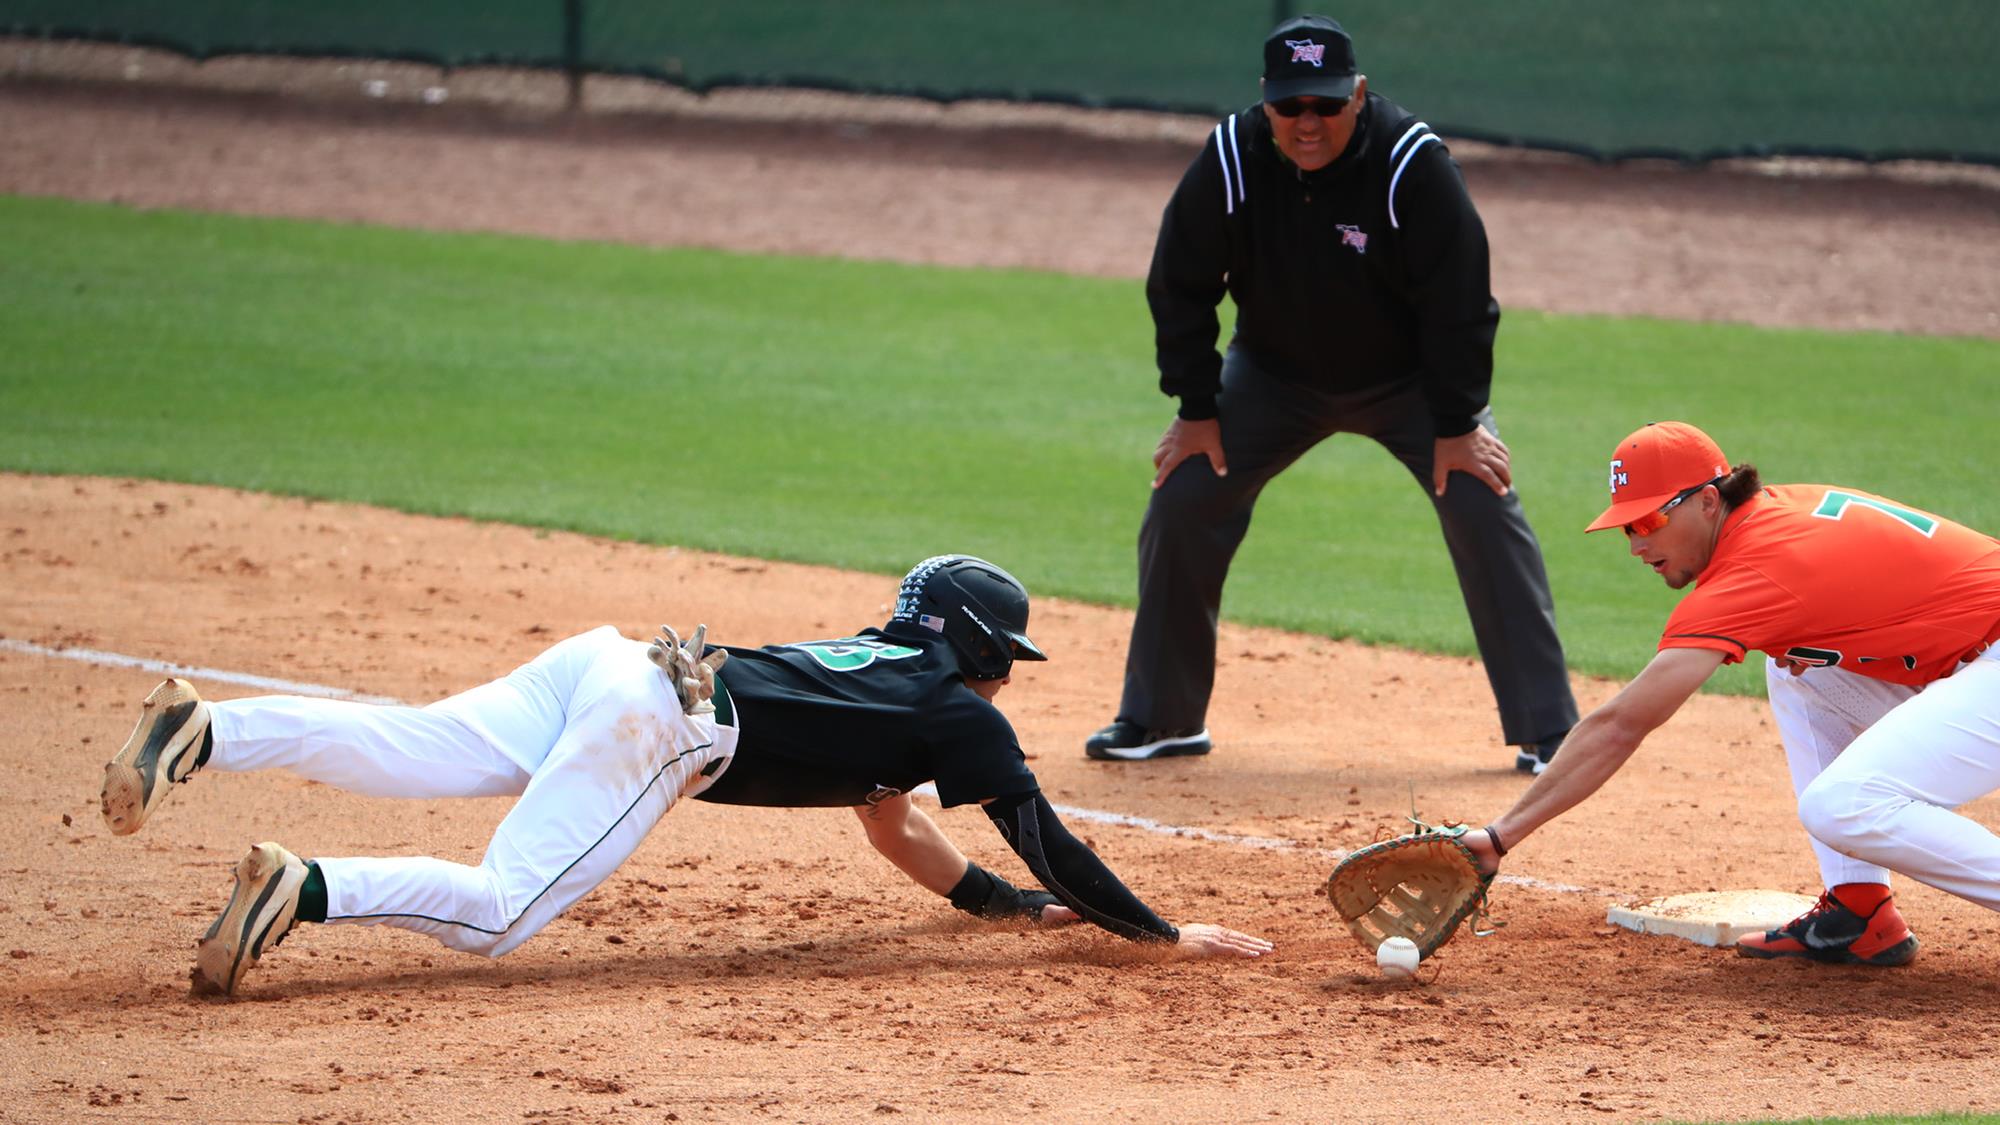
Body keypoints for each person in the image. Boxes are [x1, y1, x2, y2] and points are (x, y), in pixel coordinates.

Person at [100, 554, 1272, 996]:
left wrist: (1005, 909)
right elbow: (1045, 833)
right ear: (973, 644)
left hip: (613, 660)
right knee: (499, 914)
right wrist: (1159, 932)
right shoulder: (950, 713)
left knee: (420, 744)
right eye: (1002, 660)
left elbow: (894, 829)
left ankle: (212, 731)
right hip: (661, 723)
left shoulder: (879, 675)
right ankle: (301, 891)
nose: (1005, 684)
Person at [1086, 13, 1576, 771]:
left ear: (1358, 93)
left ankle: (1550, 729)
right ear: (1265, 101)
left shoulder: (1412, 162)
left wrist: (1455, 422)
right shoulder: (1232, 157)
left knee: (1482, 499)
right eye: (1290, 107)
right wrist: (1197, 409)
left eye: (1325, 104)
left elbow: (1462, 302)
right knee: (1184, 495)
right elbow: (1179, 285)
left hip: (1412, 381)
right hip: (1273, 376)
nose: (1307, 123)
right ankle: (1161, 717)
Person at [1462, 421, 2000, 966]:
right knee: (1799, 669)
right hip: (1980, 659)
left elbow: (1622, 724)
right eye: (1627, 528)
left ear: (1708, 502)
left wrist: (1501, 836)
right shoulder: (1774, 516)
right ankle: (1859, 912)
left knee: (1841, 806)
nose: (1638, 544)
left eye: (1650, 520)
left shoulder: (1754, 570)